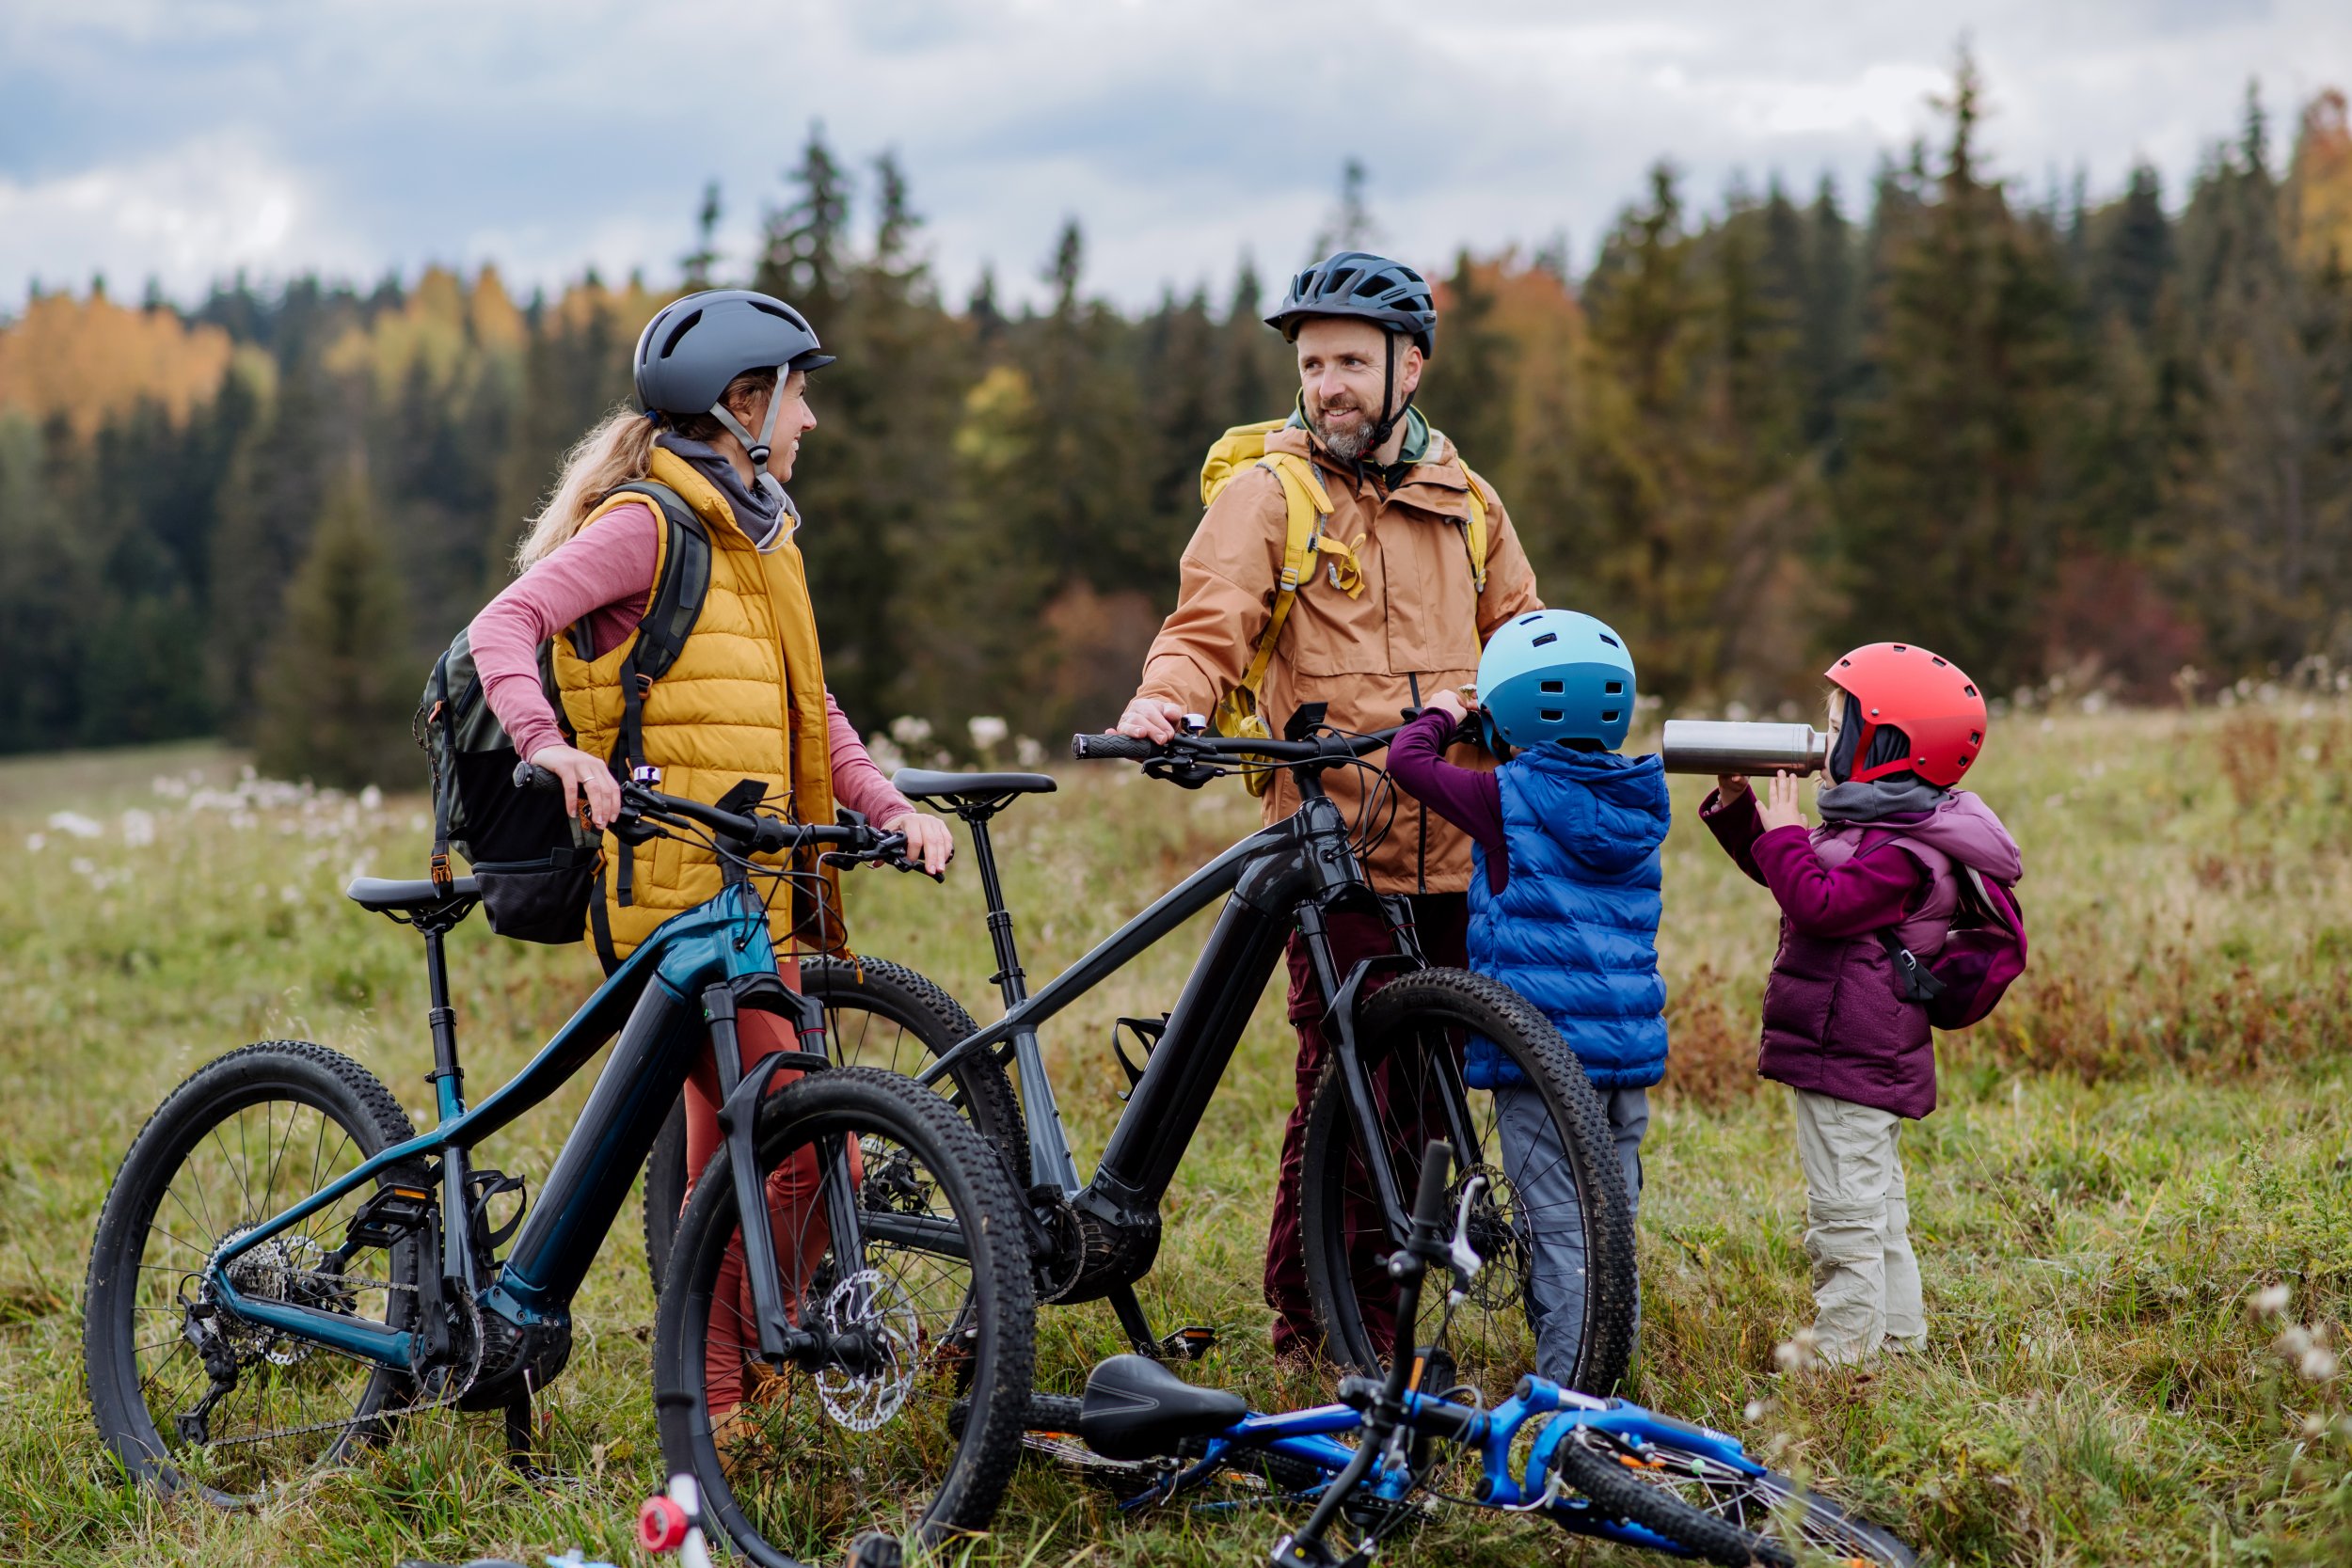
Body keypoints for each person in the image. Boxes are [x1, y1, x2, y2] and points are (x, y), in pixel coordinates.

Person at [466, 288, 953, 1419]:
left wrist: (885, 804)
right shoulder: (647, 523)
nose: (811, 421)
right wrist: (552, 749)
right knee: (783, 1141)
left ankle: (725, 1389)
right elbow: (504, 625)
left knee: (724, 1155)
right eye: (799, 396)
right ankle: (718, 1401)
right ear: (742, 404)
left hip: (755, 895)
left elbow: (809, 704)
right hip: (674, 897)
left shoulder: (763, 534)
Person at [1115, 250, 1543, 1358]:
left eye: (1352, 360)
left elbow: (1522, 639)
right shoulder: (1272, 491)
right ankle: (1320, 1323)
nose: (1329, 384)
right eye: (1313, 363)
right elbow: (1207, 620)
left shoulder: (1467, 502)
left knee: (1432, 1072)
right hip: (1332, 841)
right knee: (1352, 1074)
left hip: (1452, 836)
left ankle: (1385, 1298)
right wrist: (1167, 703)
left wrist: (1544, 716)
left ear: (1412, 364)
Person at [1700, 642, 2021, 1367]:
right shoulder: (1880, 827)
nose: (1823, 742)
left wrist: (1785, 835)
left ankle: (1841, 1364)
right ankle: (1900, 1350)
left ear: (1882, 744)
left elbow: (1817, 901)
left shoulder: (1904, 850)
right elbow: (1796, 878)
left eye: (1837, 723)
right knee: (1878, 1215)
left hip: (1851, 1052)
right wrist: (1740, 808)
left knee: (1847, 1219)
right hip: (1852, 1046)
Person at [1386, 609, 1668, 1384]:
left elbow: (1407, 764)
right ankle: (1614, 1368)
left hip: (1541, 1060)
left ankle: (1570, 1387)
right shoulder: (1641, 800)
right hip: (1626, 1056)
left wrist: (1444, 713)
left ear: (1506, 713)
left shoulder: (1506, 796)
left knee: (1561, 1227)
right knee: (1614, 1224)